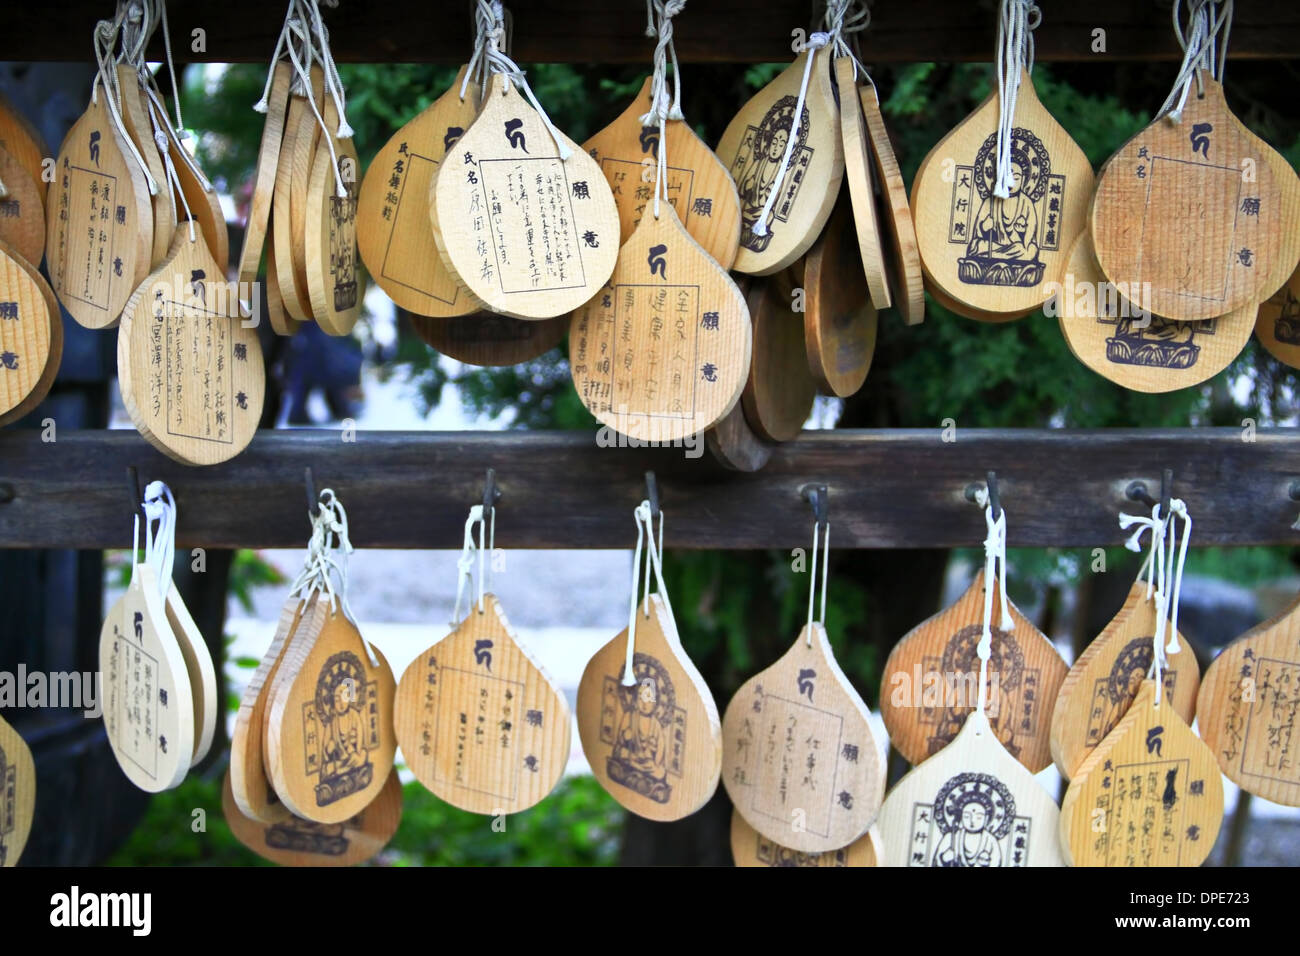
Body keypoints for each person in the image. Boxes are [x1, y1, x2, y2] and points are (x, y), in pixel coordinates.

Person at [934, 795, 1003, 867]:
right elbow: (936, 862)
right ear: (960, 817)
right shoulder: (952, 837)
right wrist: (943, 859)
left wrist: (986, 863)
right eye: (967, 816)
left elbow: (997, 862)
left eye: (979, 817)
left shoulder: (990, 841)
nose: (972, 821)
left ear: (986, 819)